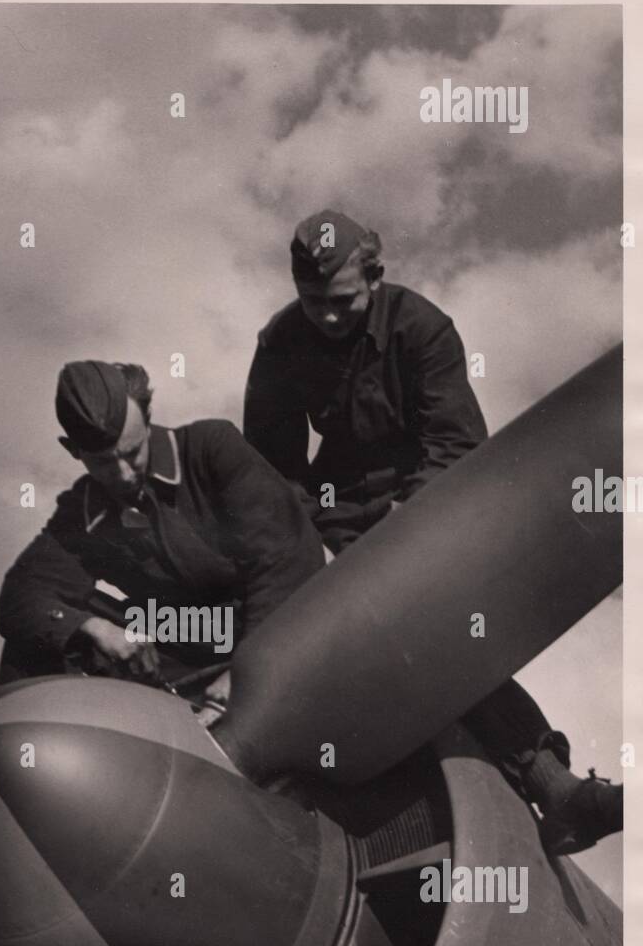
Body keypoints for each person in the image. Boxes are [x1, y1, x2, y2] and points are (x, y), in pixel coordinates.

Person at [242, 208, 621, 855]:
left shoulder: (421, 329)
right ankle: (554, 789)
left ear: (376, 278)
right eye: (313, 303)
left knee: (436, 641)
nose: (327, 318)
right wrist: (312, 537)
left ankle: (551, 783)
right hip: (337, 522)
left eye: (341, 302)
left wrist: (407, 532)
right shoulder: (282, 344)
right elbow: (271, 470)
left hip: (429, 513)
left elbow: (455, 444)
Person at [0, 359, 324, 712]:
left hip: (268, 633)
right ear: (73, 450)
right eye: (104, 462)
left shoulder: (212, 449)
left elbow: (286, 561)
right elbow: (20, 595)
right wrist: (96, 629)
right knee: (40, 636)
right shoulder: (82, 512)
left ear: (148, 421)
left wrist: (248, 673)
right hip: (180, 642)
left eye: (132, 453)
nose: (122, 474)